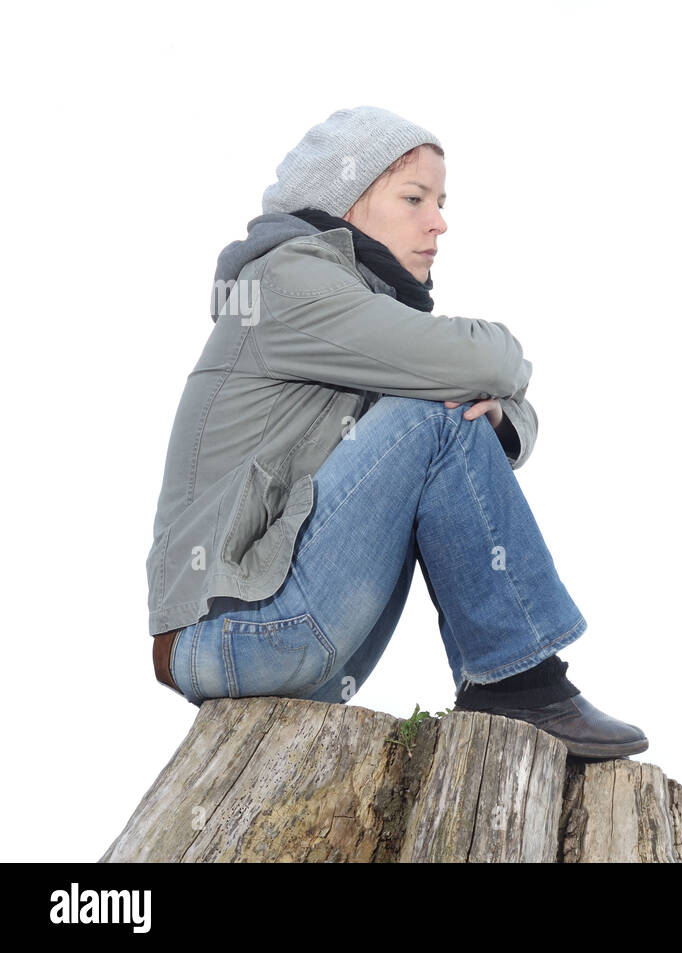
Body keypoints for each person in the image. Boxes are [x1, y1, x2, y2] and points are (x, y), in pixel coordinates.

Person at [145, 106, 647, 760]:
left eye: (440, 202)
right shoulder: (288, 280)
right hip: (231, 632)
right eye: (414, 198)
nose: (438, 221)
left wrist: (497, 413)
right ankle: (521, 683)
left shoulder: (362, 315)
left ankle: (514, 685)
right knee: (434, 412)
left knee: (439, 411)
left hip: (288, 641)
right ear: (344, 203)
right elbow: (485, 364)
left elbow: (492, 398)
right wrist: (500, 365)